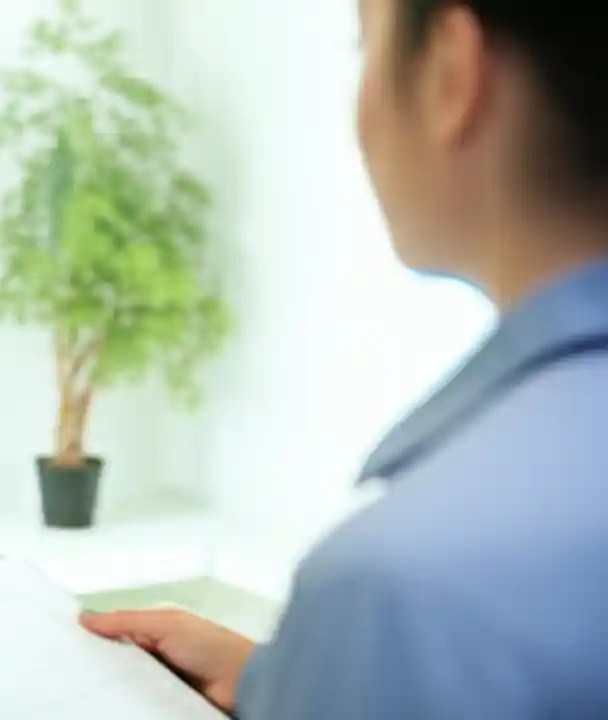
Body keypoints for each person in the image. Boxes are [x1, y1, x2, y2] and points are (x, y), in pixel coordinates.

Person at [82, 0, 608, 717]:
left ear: (451, 74)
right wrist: (295, 681)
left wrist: (357, 661)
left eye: (365, 47)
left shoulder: (409, 585)